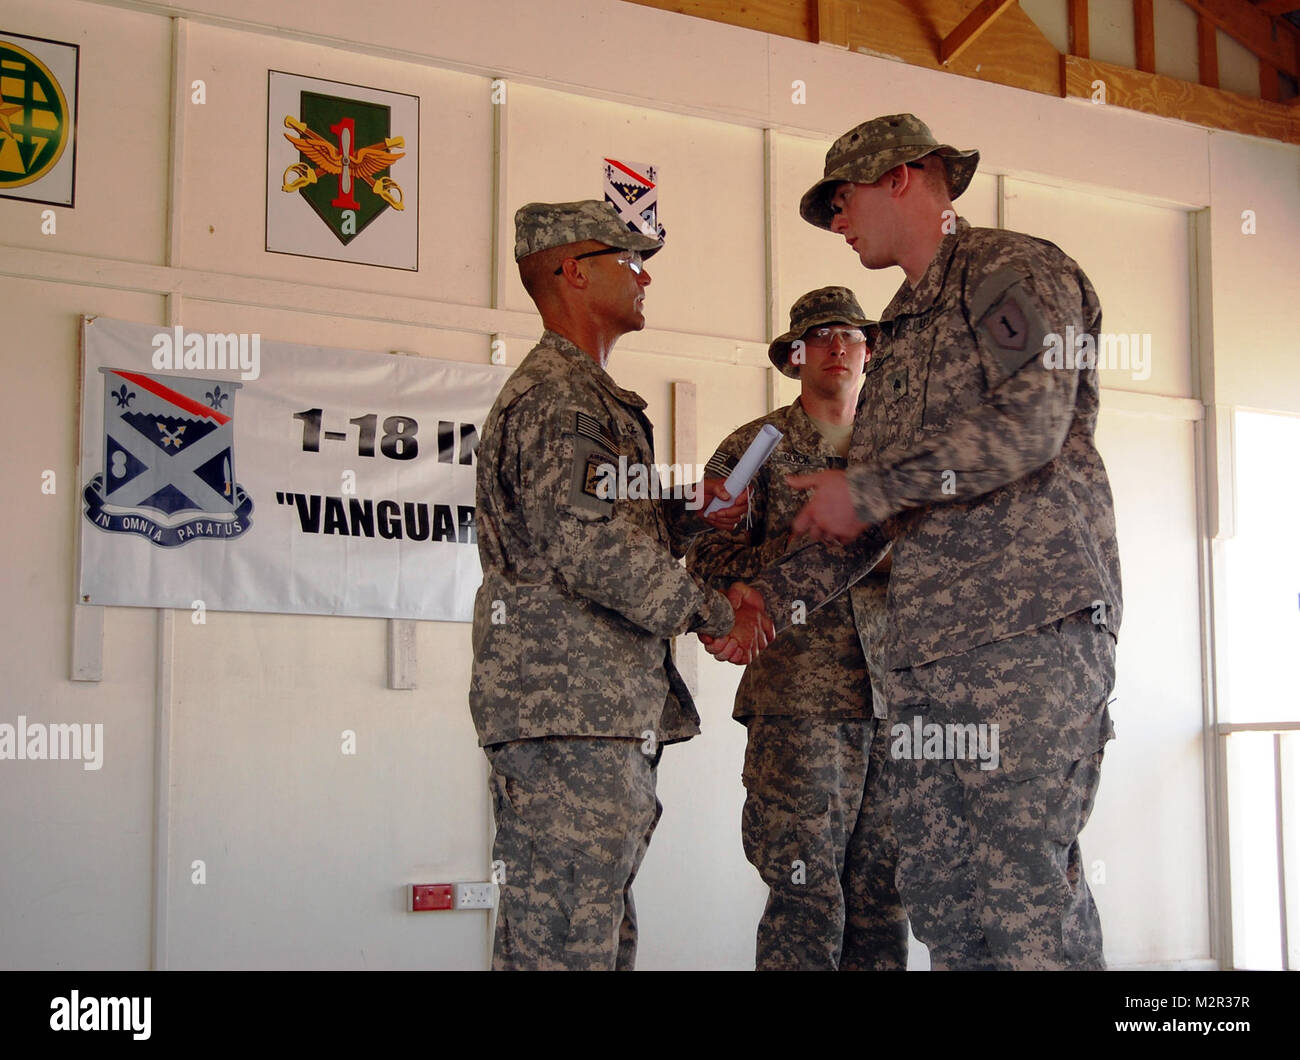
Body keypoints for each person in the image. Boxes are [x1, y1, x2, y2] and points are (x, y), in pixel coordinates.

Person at [707, 114, 1123, 971]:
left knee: (1022, 893)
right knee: (945, 895)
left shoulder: (1009, 269)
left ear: (901, 177)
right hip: (922, 663)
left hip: (1024, 637)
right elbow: (871, 515)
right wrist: (766, 603)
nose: (835, 224)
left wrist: (868, 489)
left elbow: (1035, 416)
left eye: (840, 201)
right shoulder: (894, 336)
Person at [470, 199, 772, 970]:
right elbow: (591, 550)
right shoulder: (562, 400)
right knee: (566, 942)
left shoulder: (590, 400)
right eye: (630, 260)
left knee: (588, 935)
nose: (644, 277)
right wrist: (711, 611)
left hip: (593, 712)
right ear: (574, 270)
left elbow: (602, 530)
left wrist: (691, 515)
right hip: (571, 711)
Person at [687, 286, 908, 970]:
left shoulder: (901, 451)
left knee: (884, 898)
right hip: (801, 702)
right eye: (820, 336)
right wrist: (797, 557)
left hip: (898, 701)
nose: (837, 347)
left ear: (870, 350)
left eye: (849, 335)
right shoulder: (757, 450)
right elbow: (708, 555)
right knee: (806, 895)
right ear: (794, 354)